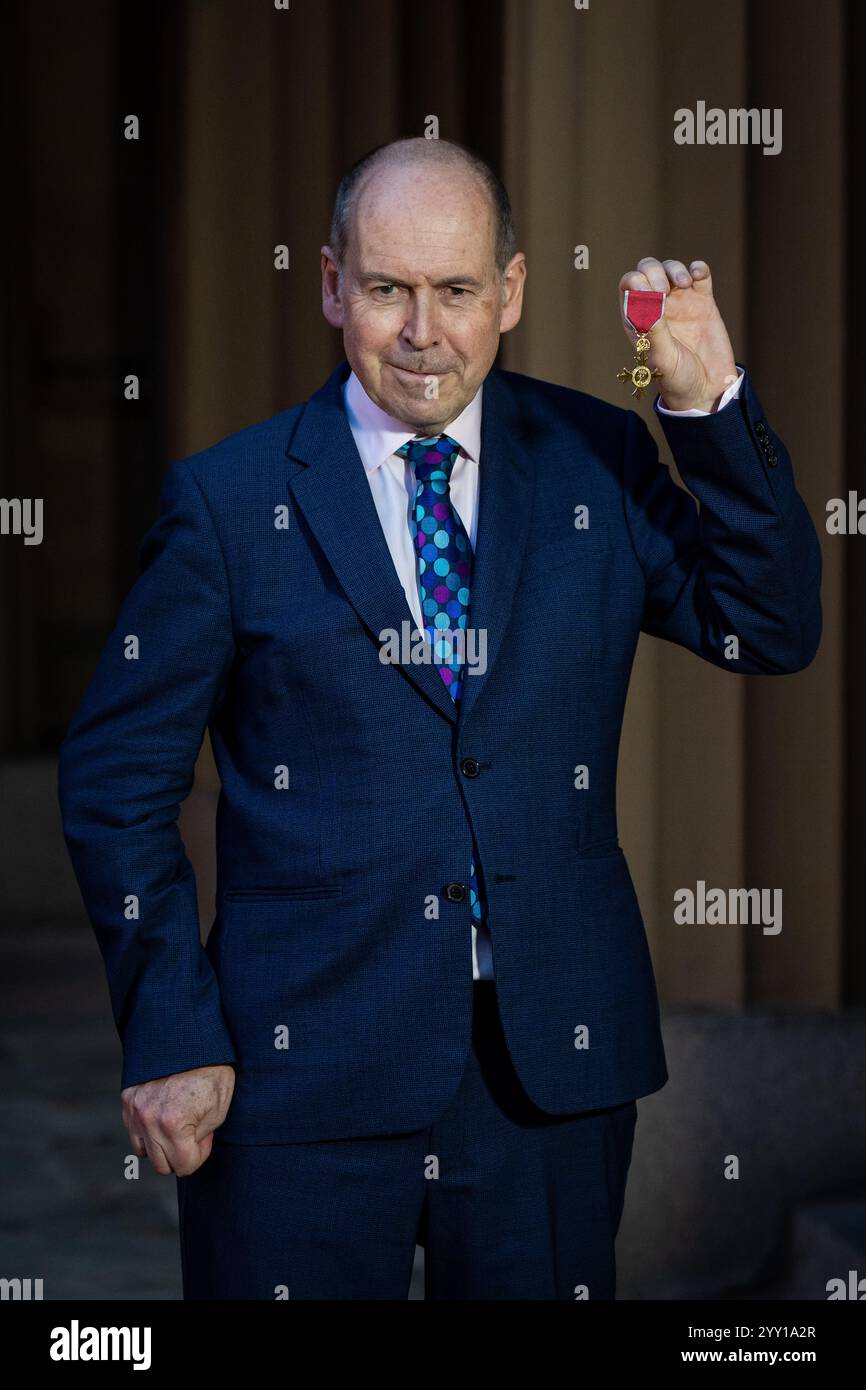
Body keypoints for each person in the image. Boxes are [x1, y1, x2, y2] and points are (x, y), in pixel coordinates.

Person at [57, 137, 822, 1300]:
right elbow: (115, 782)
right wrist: (172, 1029)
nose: (423, 331)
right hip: (294, 1069)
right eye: (385, 288)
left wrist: (705, 405)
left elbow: (767, 627)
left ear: (509, 292)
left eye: (457, 290)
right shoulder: (227, 502)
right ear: (328, 284)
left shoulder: (599, 460)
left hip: (545, 1074)